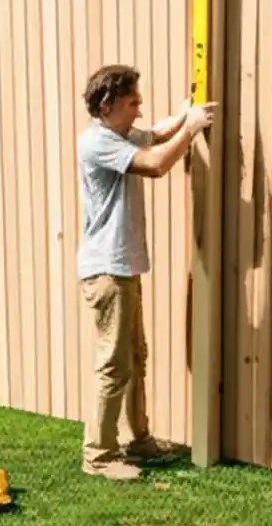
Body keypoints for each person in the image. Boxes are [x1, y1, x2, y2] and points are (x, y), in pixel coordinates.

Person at [75, 64, 217, 481]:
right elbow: (155, 164)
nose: (139, 110)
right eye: (132, 102)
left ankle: (140, 443)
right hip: (108, 270)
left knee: (135, 358)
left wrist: (182, 116)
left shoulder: (117, 134)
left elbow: (154, 134)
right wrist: (189, 131)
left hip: (123, 267)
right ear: (108, 105)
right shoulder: (97, 143)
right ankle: (98, 456)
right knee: (114, 364)